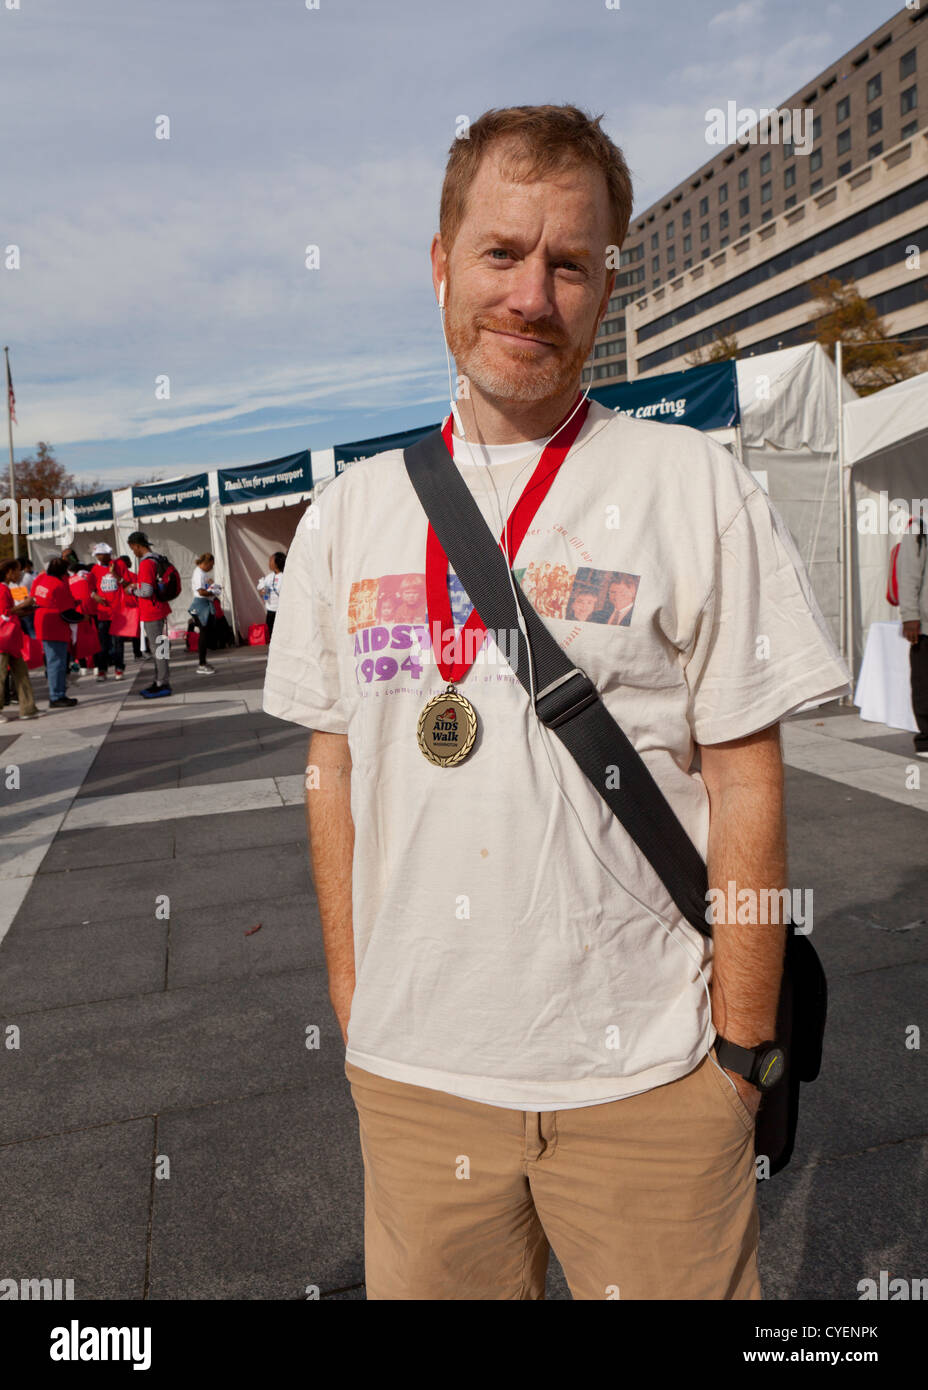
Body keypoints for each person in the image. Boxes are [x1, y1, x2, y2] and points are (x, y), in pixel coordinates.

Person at [264, 104, 852, 1301]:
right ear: (440, 265)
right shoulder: (346, 516)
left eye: (568, 263)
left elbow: (747, 777)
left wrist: (740, 1053)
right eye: (499, 253)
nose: (530, 296)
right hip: (419, 1086)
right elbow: (332, 772)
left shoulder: (693, 486)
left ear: (603, 285)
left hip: (651, 1082)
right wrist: (355, 1002)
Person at [897, 510, 928, 758]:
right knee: (924, 683)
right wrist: (910, 615)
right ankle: (926, 741)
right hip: (926, 625)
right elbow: (907, 572)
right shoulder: (920, 526)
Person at [127, 531, 172, 698]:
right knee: (162, 646)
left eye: (133, 548)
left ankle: (162, 682)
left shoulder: (146, 564)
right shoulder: (157, 558)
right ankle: (161, 679)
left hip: (152, 611)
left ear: (137, 546)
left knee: (158, 648)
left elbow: (146, 591)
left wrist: (132, 590)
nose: (133, 552)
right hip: (161, 608)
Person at [31, 557, 79, 708]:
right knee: (57, 662)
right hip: (55, 625)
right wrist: (83, 617)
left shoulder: (43, 580)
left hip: (43, 622)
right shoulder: (59, 585)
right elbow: (67, 612)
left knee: (52, 662)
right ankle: (57, 695)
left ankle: (56, 693)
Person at [0, 558, 40, 721]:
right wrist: (25, 604)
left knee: (21, 673)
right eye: (17, 570)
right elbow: (5, 613)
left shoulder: (5, 588)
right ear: (9, 572)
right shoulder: (2, 589)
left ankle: (28, 708)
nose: (20, 574)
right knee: (3, 675)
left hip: (10, 639)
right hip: (5, 639)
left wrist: (25, 609)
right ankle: (27, 708)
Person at [90, 542, 130, 680]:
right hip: (102, 612)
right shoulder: (94, 569)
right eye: (97, 555)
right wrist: (95, 596)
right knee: (103, 643)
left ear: (108, 554)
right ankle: (102, 670)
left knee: (118, 642)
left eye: (101, 554)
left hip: (119, 612)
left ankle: (119, 669)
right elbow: (89, 589)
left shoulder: (119, 565)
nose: (99, 557)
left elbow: (127, 584)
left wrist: (115, 574)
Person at [189, 552, 217, 675]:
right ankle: (201, 664)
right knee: (204, 634)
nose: (212, 567)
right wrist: (214, 592)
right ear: (206, 563)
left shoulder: (203, 573)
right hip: (201, 605)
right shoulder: (199, 574)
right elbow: (201, 592)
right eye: (211, 565)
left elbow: (205, 588)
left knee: (205, 633)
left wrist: (211, 586)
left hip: (204, 604)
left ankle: (203, 662)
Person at [256, 552, 286, 637]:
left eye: (271, 560)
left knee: (281, 633)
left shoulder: (284, 576)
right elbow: (262, 590)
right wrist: (262, 592)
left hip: (281, 610)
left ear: (277, 563)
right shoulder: (269, 577)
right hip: (270, 610)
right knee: (272, 633)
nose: (269, 563)